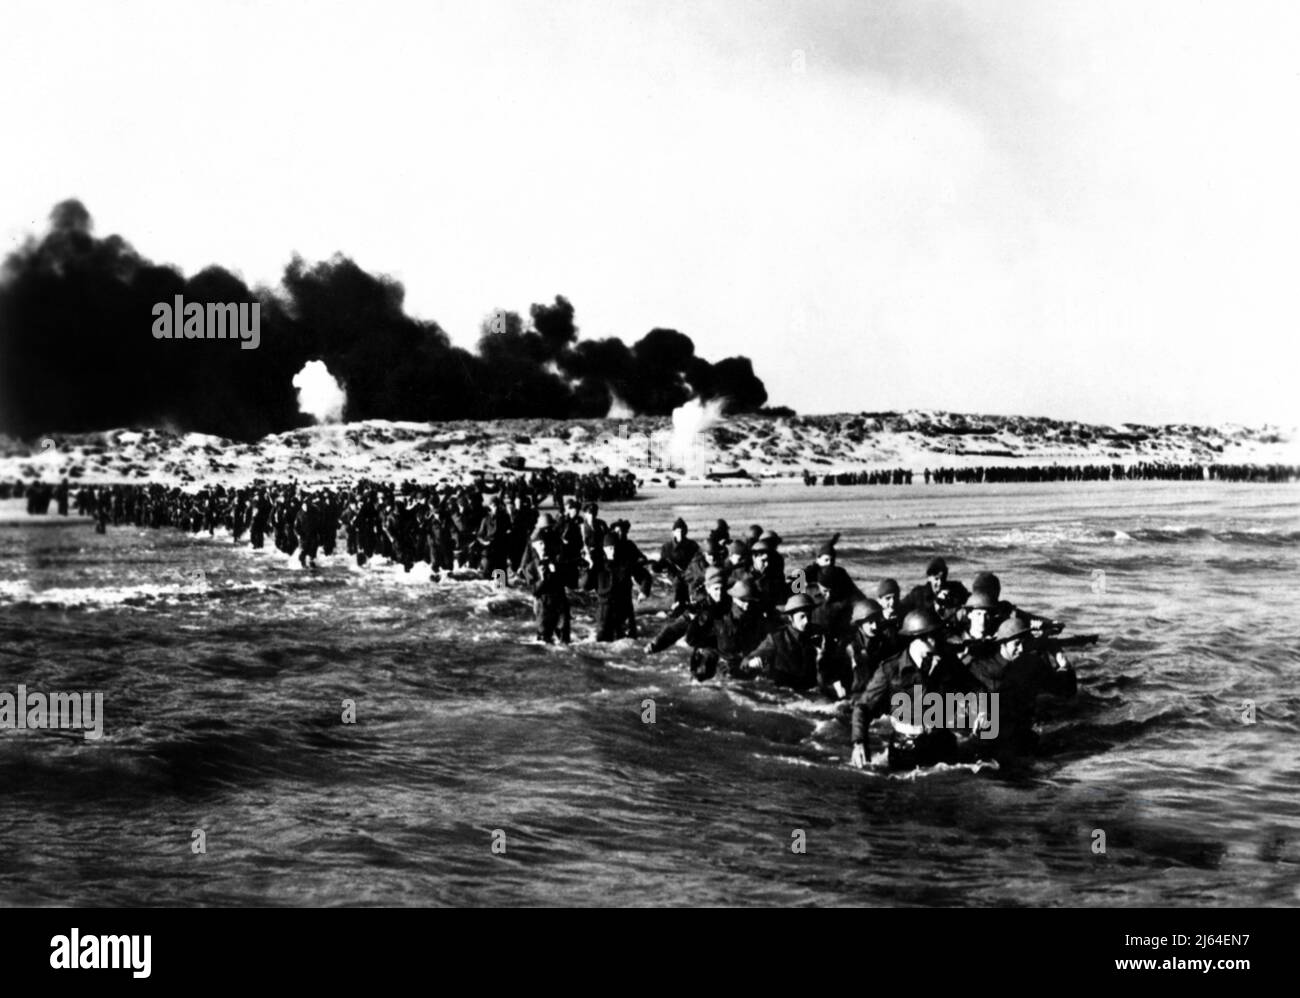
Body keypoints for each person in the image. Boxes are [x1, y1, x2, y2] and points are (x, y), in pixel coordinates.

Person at [849, 608, 983, 769]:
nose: (941, 640)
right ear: (920, 638)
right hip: (906, 749)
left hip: (941, 744)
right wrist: (859, 742)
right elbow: (863, 707)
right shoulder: (891, 669)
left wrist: (983, 710)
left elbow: (977, 688)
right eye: (936, 636)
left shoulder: (948, 662)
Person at [966, 614, 1078, 758]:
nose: (1021, 649)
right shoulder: (979, 667)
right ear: (1002, 644)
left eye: (1024, 643)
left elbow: (1066, 690)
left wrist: (1062, 663)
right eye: (1017, 644)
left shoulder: (1030, 664)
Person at [735, 594, 836, 695]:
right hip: (785, 694)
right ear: (790, 618)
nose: (807, 621)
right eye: (802, 617)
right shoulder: (776, 638)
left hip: (813, 691)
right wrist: (752, 662)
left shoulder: (819, 633)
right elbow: (746, 662)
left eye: (809, 616)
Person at [582, 532, 654, 641]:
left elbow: (645, 576)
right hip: (604, 610)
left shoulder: (626, 562)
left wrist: (644, 591)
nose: (613, 551)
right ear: (604, 549)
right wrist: (590, 569)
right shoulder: (598, 565)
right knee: (603, 643)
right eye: (610, 548)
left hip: (624, 607)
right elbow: (586, 586)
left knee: (629, 643)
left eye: (615, 547)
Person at [517, 532, 570, 644]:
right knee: (544, 641)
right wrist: (542, 578)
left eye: (544, 543)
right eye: (540, 544)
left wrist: (556, 571)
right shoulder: (531, 567)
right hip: (544, 605)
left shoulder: (556, 561)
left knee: (565, 640)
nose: (543, 546)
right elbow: (534, 590)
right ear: (534, 546)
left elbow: (568, 581)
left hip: (560, 602)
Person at [653, 518, 700, 615]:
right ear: (673, 532)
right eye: (678, 531)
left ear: (686, 532)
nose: (680, 533)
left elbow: (698, 559)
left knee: (692, 584)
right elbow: (663, 562)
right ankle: (676, 606)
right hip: (674, 575)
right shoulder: (667, 547)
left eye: (682, 531)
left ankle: (693, 606)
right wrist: (656, 567)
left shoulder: (692, 545)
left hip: (689, 573)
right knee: (678, 583)